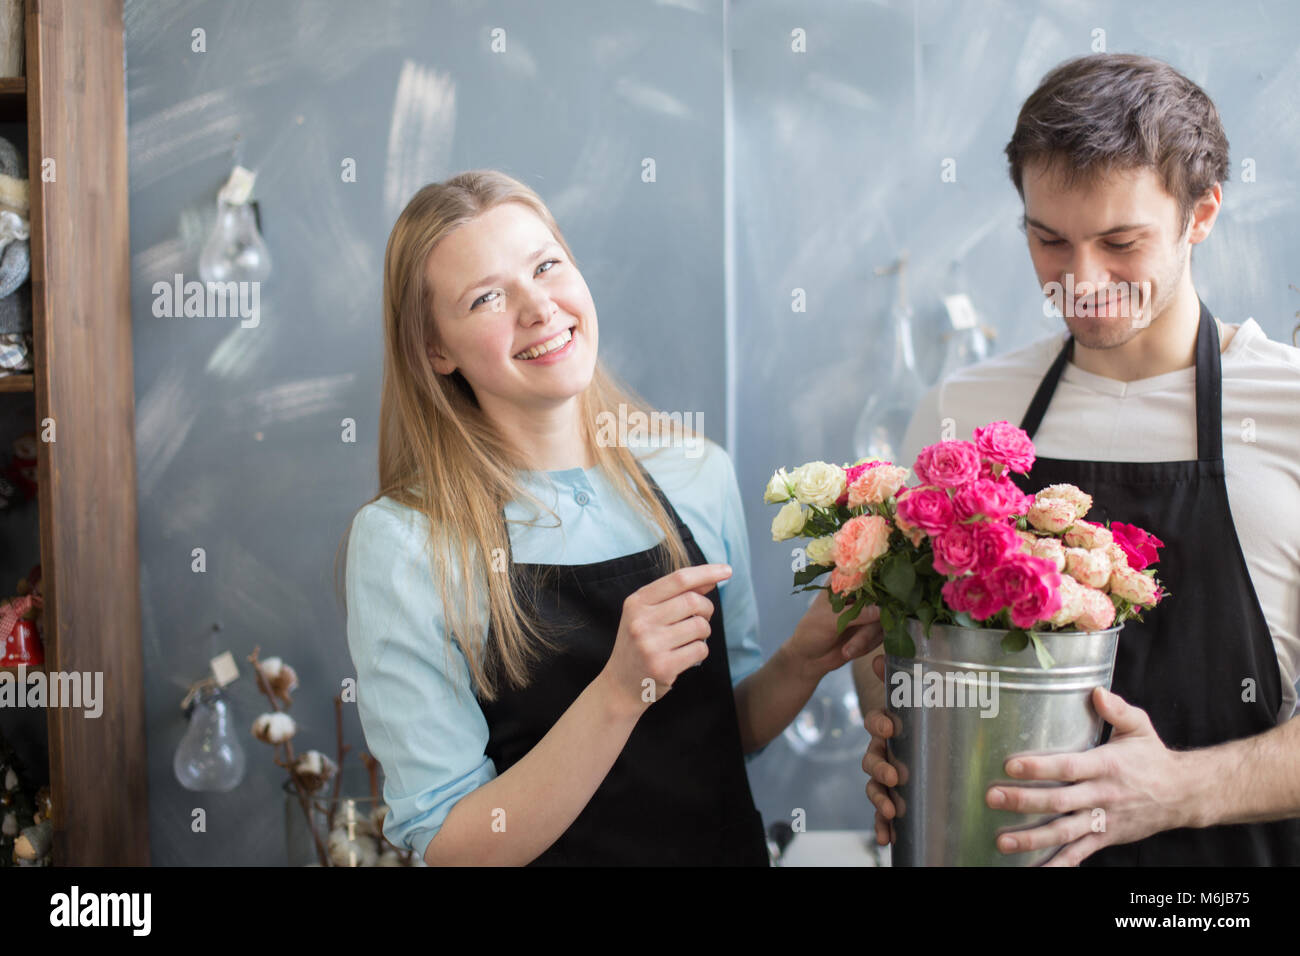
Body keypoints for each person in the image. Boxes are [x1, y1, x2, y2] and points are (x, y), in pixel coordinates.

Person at [342, 169, 881, 866]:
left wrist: (801, 664)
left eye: (546, 266)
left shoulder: (696, 474)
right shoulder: (403, 542)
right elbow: (451, 847)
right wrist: (619, 692)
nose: (537, 308)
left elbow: (727, 729)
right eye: (486, 298)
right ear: (435, 350)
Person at [855, 53, 1300, 866]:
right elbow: (896, 647)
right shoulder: (965, 413)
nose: (1081, 281)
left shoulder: (1289, 411)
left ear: (1201, 216)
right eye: (1049, 239)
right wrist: (899, 730)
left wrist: (1182, 789)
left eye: (1121, 242)